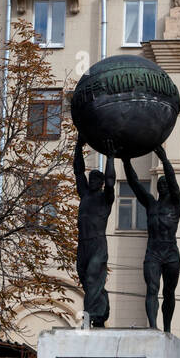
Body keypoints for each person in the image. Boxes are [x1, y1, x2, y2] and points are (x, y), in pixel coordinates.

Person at [122, 144, 180, 332]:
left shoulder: (175, 204)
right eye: (160, 184)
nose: (163, 186)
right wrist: (125, 161)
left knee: (169, 292)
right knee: (152, 289)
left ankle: (168, 327)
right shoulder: (151, 204)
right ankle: (153, 326)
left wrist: (164, 160)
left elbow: (172, 180)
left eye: (165, 184)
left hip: (171, 253)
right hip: (153, 252)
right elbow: (135, 184)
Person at [73, 140, 115, 327]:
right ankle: (102, 309)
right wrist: (78, 146)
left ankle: (88, 318)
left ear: (101, 182)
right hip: (83, 244)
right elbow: (78, 171)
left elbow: (111, 181)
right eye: (91, 179)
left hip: (98, 244)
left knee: (91, 278)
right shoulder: (85, 194)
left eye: (96, 179)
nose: (92, 181)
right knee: (87, 280)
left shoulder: (105, 198)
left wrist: (111, 157)